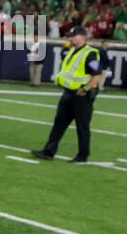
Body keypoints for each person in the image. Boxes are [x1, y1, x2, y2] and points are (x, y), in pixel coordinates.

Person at [31, 25, 105, 163]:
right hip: (68, 94)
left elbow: (97, 75)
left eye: (73, 35)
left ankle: (83, 155)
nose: (70, 38)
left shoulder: (90, 53)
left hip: (82, 96)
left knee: (82, 127)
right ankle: (49, 151)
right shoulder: (72, 51)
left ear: (82, 36)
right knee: (58, 124)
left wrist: (86, 89)